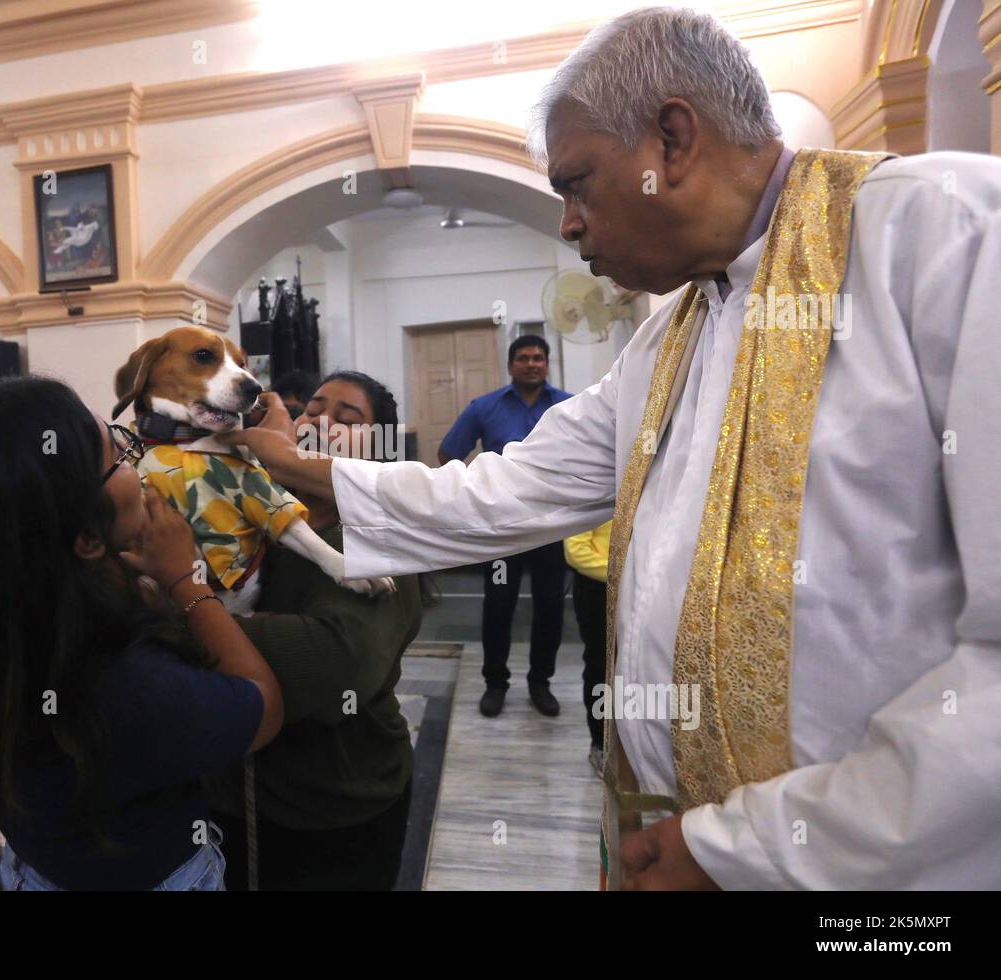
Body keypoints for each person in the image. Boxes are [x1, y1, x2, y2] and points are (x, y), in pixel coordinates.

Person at [224, 6, 1001, 890]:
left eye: (577, 183)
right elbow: (507, 490)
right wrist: (291, 467)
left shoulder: (951, 236)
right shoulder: (670, 333)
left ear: (673, 138)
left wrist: (750, 849)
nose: (569, 225)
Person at [0, 376, 283, 891]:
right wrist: (185, 582)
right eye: (120, 458)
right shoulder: (126, 682)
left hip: (35, 868)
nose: (135, 467)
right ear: (84, 537)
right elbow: (264, 707)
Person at [187, 372, 422, 890]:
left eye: (348, 417)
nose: (322, 420)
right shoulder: (253, 520)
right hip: (234, 793)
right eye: (313, 409)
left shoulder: (381, 537)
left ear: (377, 450)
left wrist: (190, 615)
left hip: (337, 802)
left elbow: (335, 664)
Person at [439, 335, 572, 718]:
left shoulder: (567, 406)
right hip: (501, 528)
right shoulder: (485, 407)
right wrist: (472, 493)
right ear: (511, 365)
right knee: (499, 605)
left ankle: (540, 683)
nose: (532, 364)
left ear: (547, 364)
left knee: (550, 606)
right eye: (524, 358)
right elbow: (449, 453)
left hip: (550, 525)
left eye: (538, 358)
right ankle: (495, 683)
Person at [565, 521, 610, 778]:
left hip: (635, 586)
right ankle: (600, 743)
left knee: (632, 667)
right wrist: (621, 571)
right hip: (596, 588)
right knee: (599, 665)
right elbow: (575, 551)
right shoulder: (601, 486)